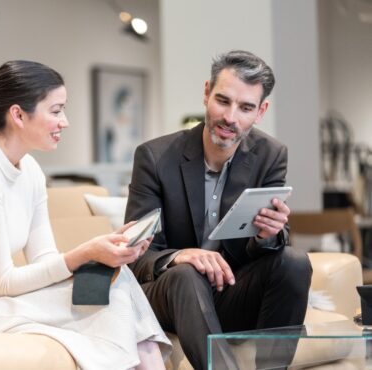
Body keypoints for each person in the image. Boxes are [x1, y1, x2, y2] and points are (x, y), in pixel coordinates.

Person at [0, 60, 171, 370]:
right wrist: (85, 252)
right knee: (111, 299)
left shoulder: (30, 170)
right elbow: (2, 283)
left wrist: (103, 253)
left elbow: (43, 257)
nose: (66, 121)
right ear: (18, 114)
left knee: (116, 279)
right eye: (56, 110)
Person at [125, 50, 313, 370]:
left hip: (229, 292)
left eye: (245, 107)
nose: (230, 117)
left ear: (261, 111)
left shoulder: (270, 155)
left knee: (295, 261)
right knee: (187, 273)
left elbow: (268, 249)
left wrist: (268, 235)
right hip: (170, 293)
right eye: (223, 101)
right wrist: (180, 255)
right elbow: (135, 253)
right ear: (206, 93)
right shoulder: (155, 158)